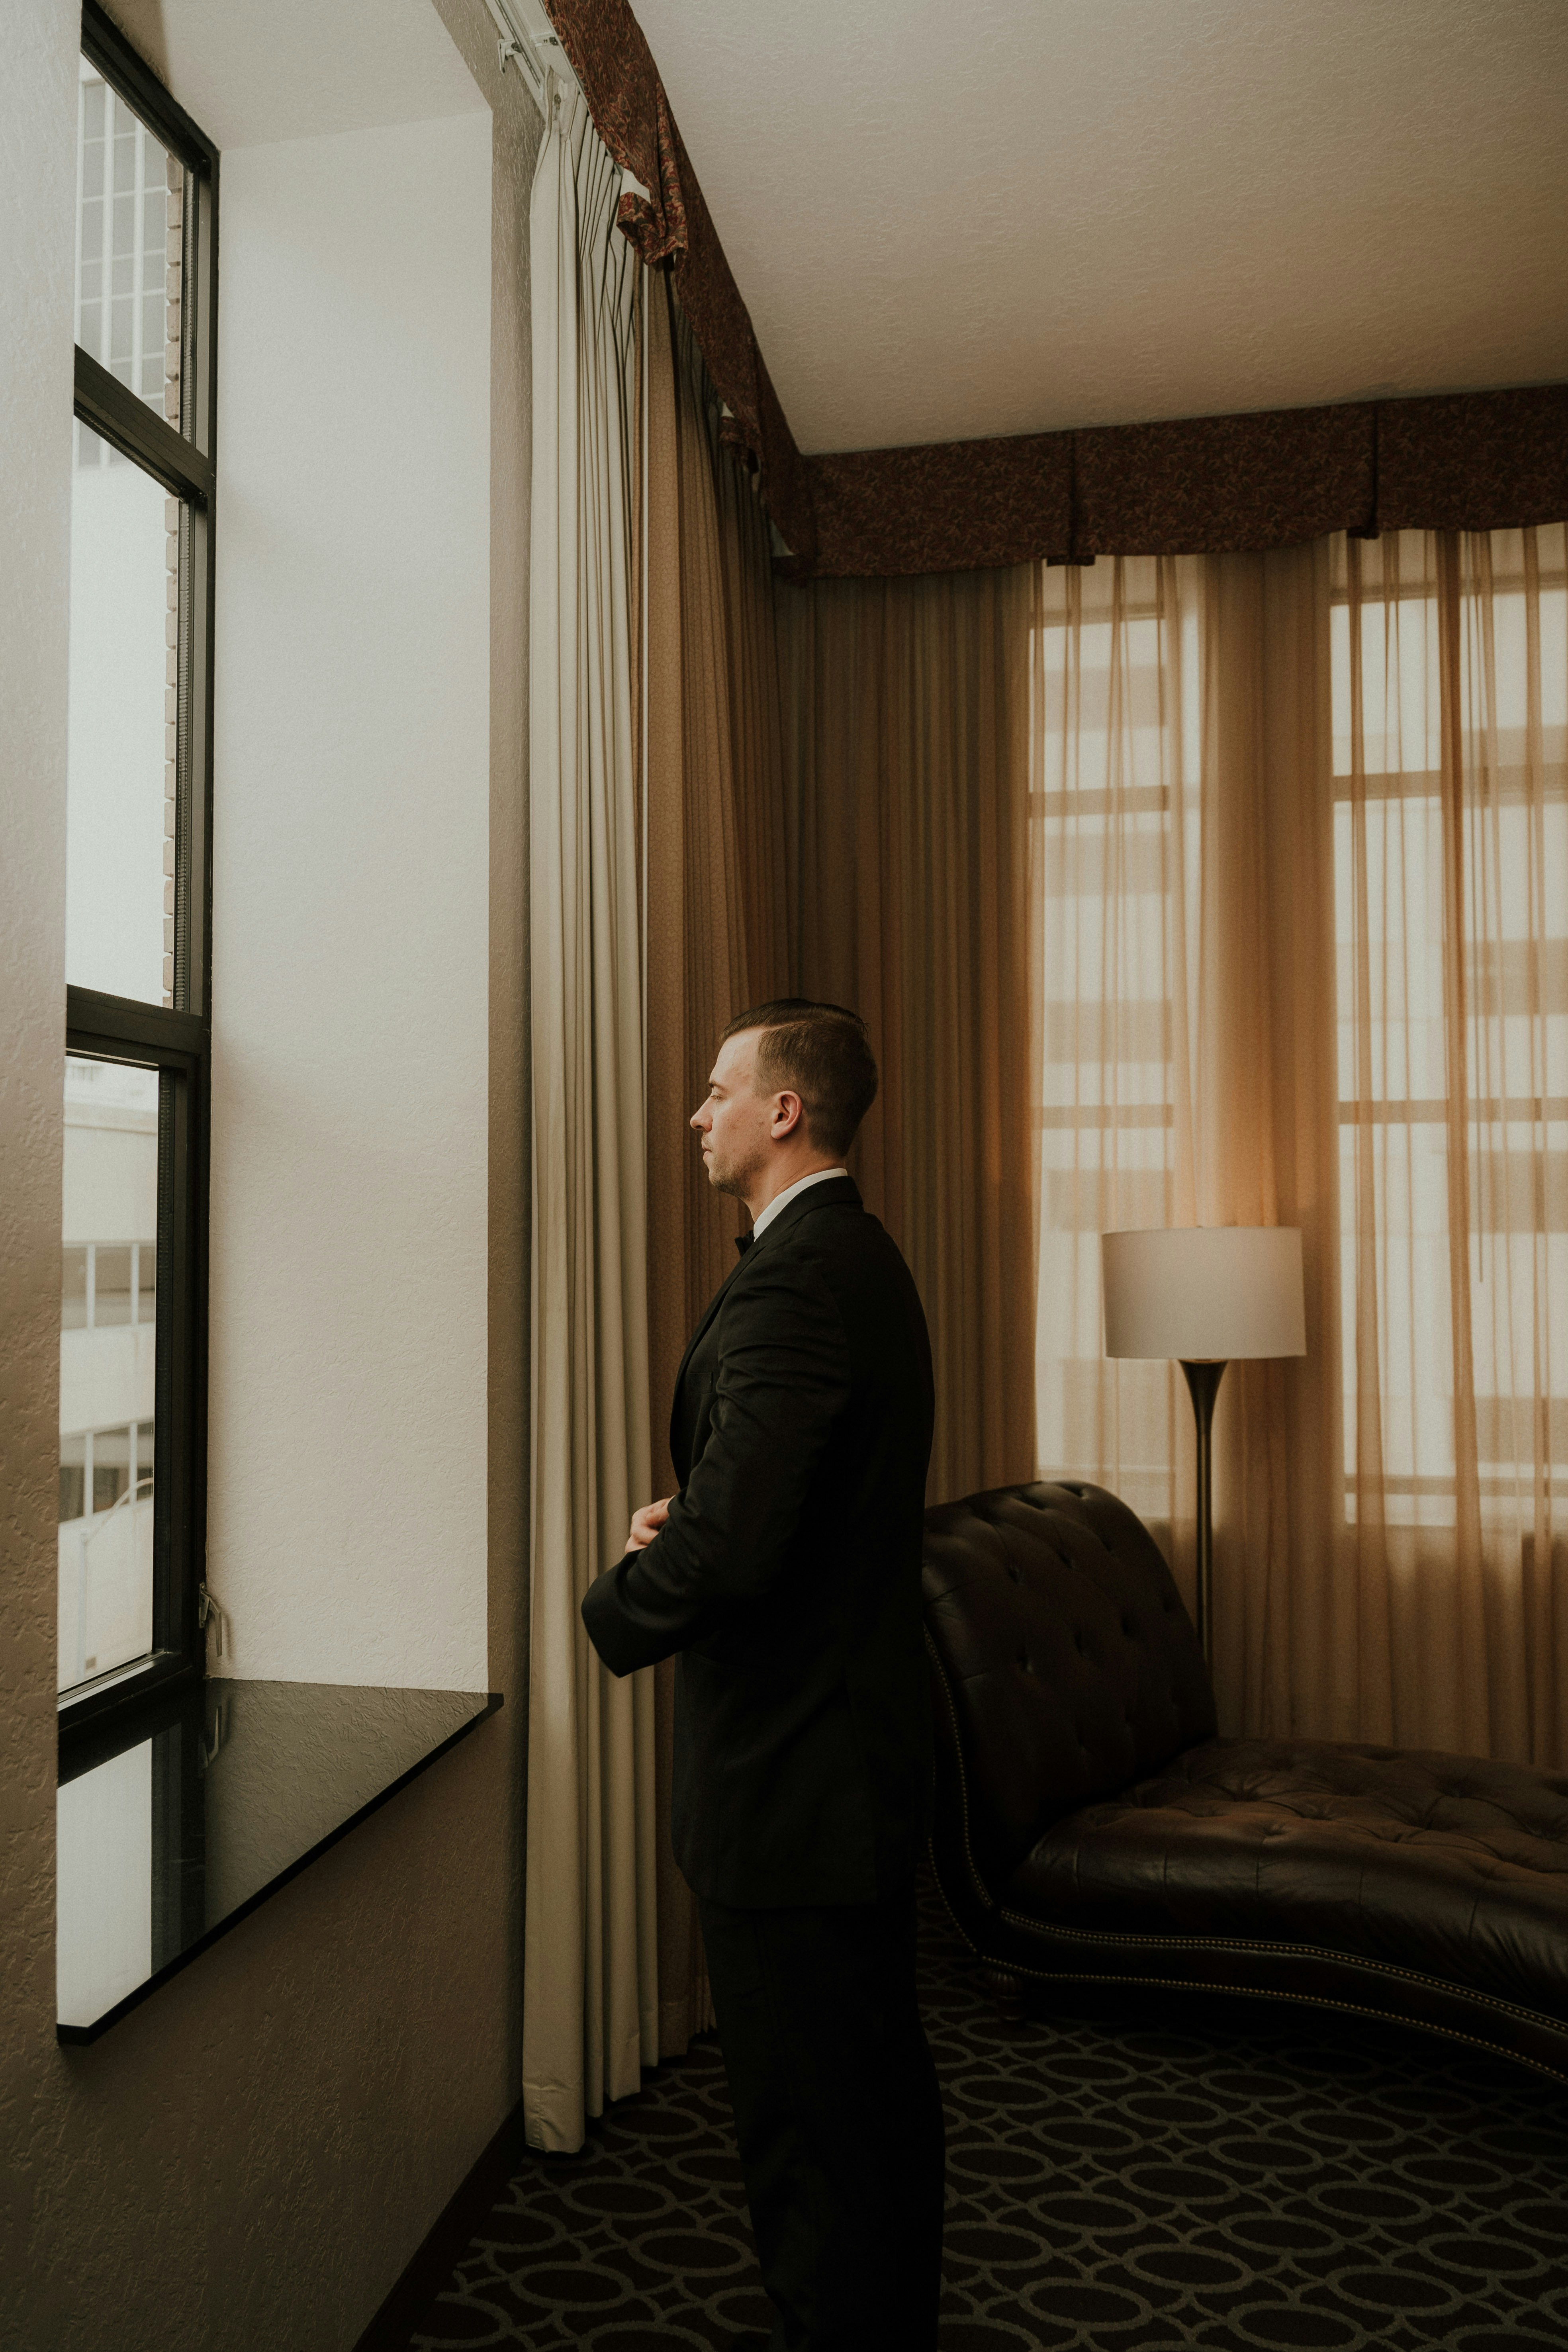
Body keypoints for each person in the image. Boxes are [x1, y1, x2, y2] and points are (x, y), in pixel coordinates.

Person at [581, 998, 945, 2352]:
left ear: (784, 1110)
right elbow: (794, 1502)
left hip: (794, 1786)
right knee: (870, 2113)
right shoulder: (858, 1258)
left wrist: (619, 1596)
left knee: (813, 2147)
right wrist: (709, 1516)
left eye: (719, 1089)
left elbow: (734, 1549)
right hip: (844, 1768)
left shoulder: (795, 1275)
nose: (697, 1112)